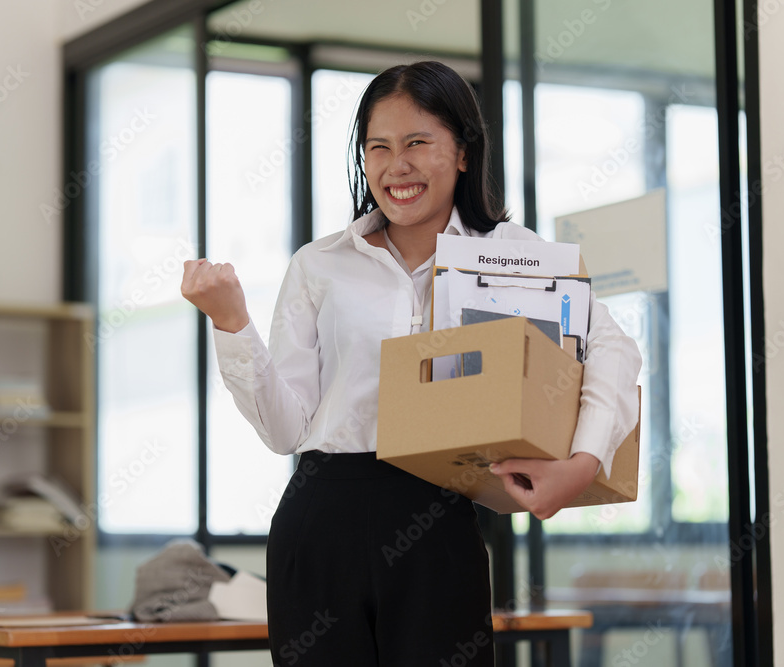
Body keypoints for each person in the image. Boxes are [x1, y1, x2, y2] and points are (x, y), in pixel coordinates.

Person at [181, 60, 641, 666]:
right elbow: (285, 431)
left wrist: (584, 463)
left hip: (438, 515)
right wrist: (231, 323)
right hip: (322, 519)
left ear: (464, 152)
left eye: (417, 143)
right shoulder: (319, 264)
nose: (396, 166)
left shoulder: (515, 254)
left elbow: (613, 348)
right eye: (379, 147)